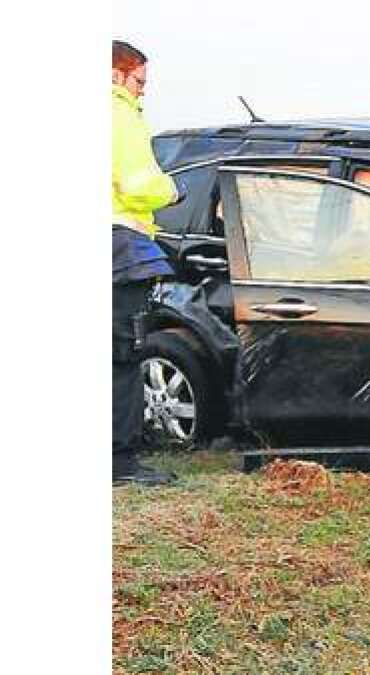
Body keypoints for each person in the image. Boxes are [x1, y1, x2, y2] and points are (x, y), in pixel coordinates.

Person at [112, 40, 183, 485]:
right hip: (119, 248)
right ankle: (120, 463)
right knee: (122, 355)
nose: (142, 91)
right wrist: (172, 191)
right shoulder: (117, 113)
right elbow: (138, 184)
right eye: (138, 80)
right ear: (115, 75)